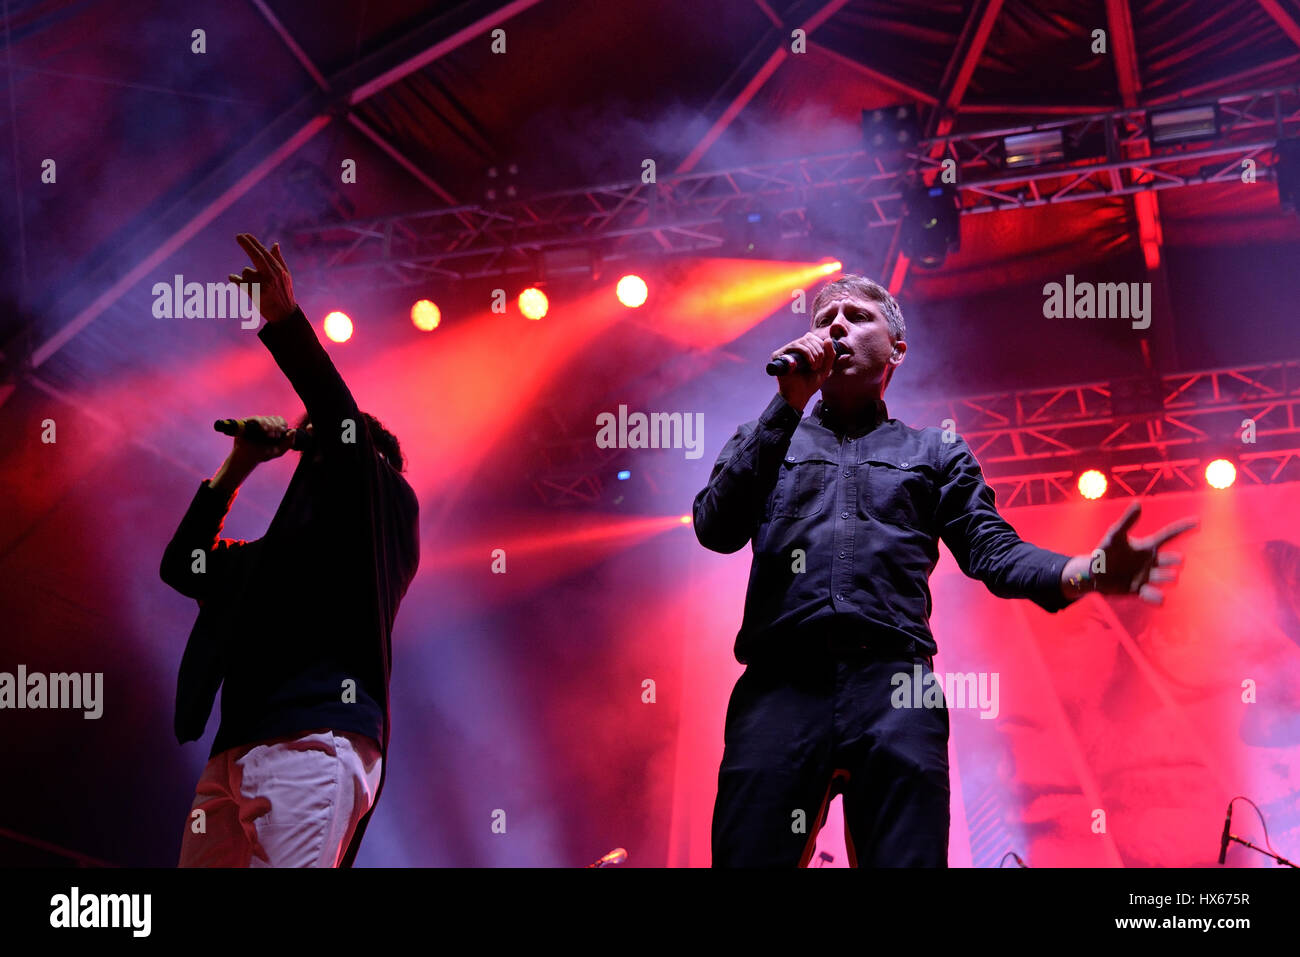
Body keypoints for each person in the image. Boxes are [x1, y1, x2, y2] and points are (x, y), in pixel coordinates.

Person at [692, 274, 1196, 867]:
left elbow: (994, 552)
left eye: (856, 317)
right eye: (824, 317)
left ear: (896, 351)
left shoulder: (935, 452)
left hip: (895, 686)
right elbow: (715, 528)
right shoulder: (768, 438)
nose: (834, 327)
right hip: (780, 682)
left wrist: (1084, 570)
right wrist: (785, 406)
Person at [160, 233, 420, 867]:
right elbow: (182, 564)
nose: (310, 462)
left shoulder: (380, 515)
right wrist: (239, 463)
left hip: (315, 743)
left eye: (321, 452)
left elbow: (342, 422)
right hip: (230, 757)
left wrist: (285, 323)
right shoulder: (264, 560)